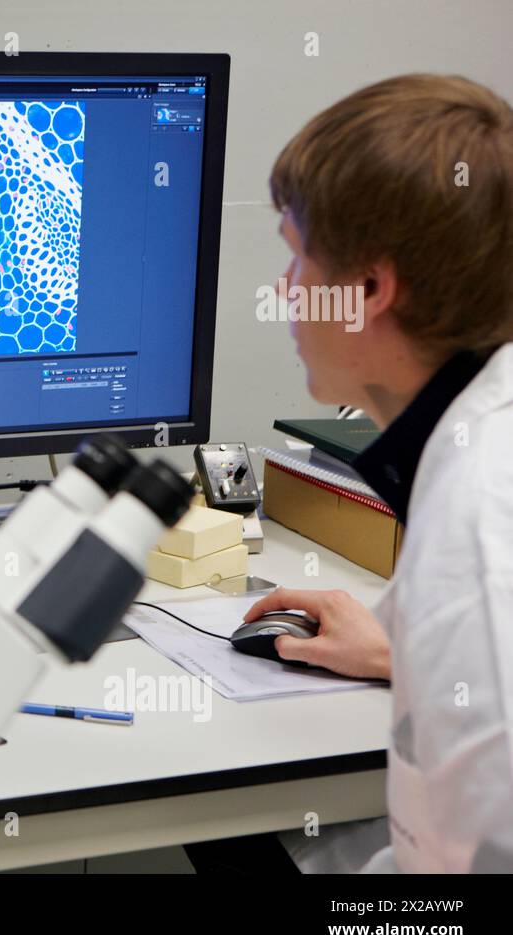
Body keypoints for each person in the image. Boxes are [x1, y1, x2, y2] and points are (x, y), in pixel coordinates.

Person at [190, 73, 513, 874]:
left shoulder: (480, 529)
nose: (282, 293)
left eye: (297, 263)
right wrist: (397, 654)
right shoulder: (475, 433)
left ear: (367, 291)